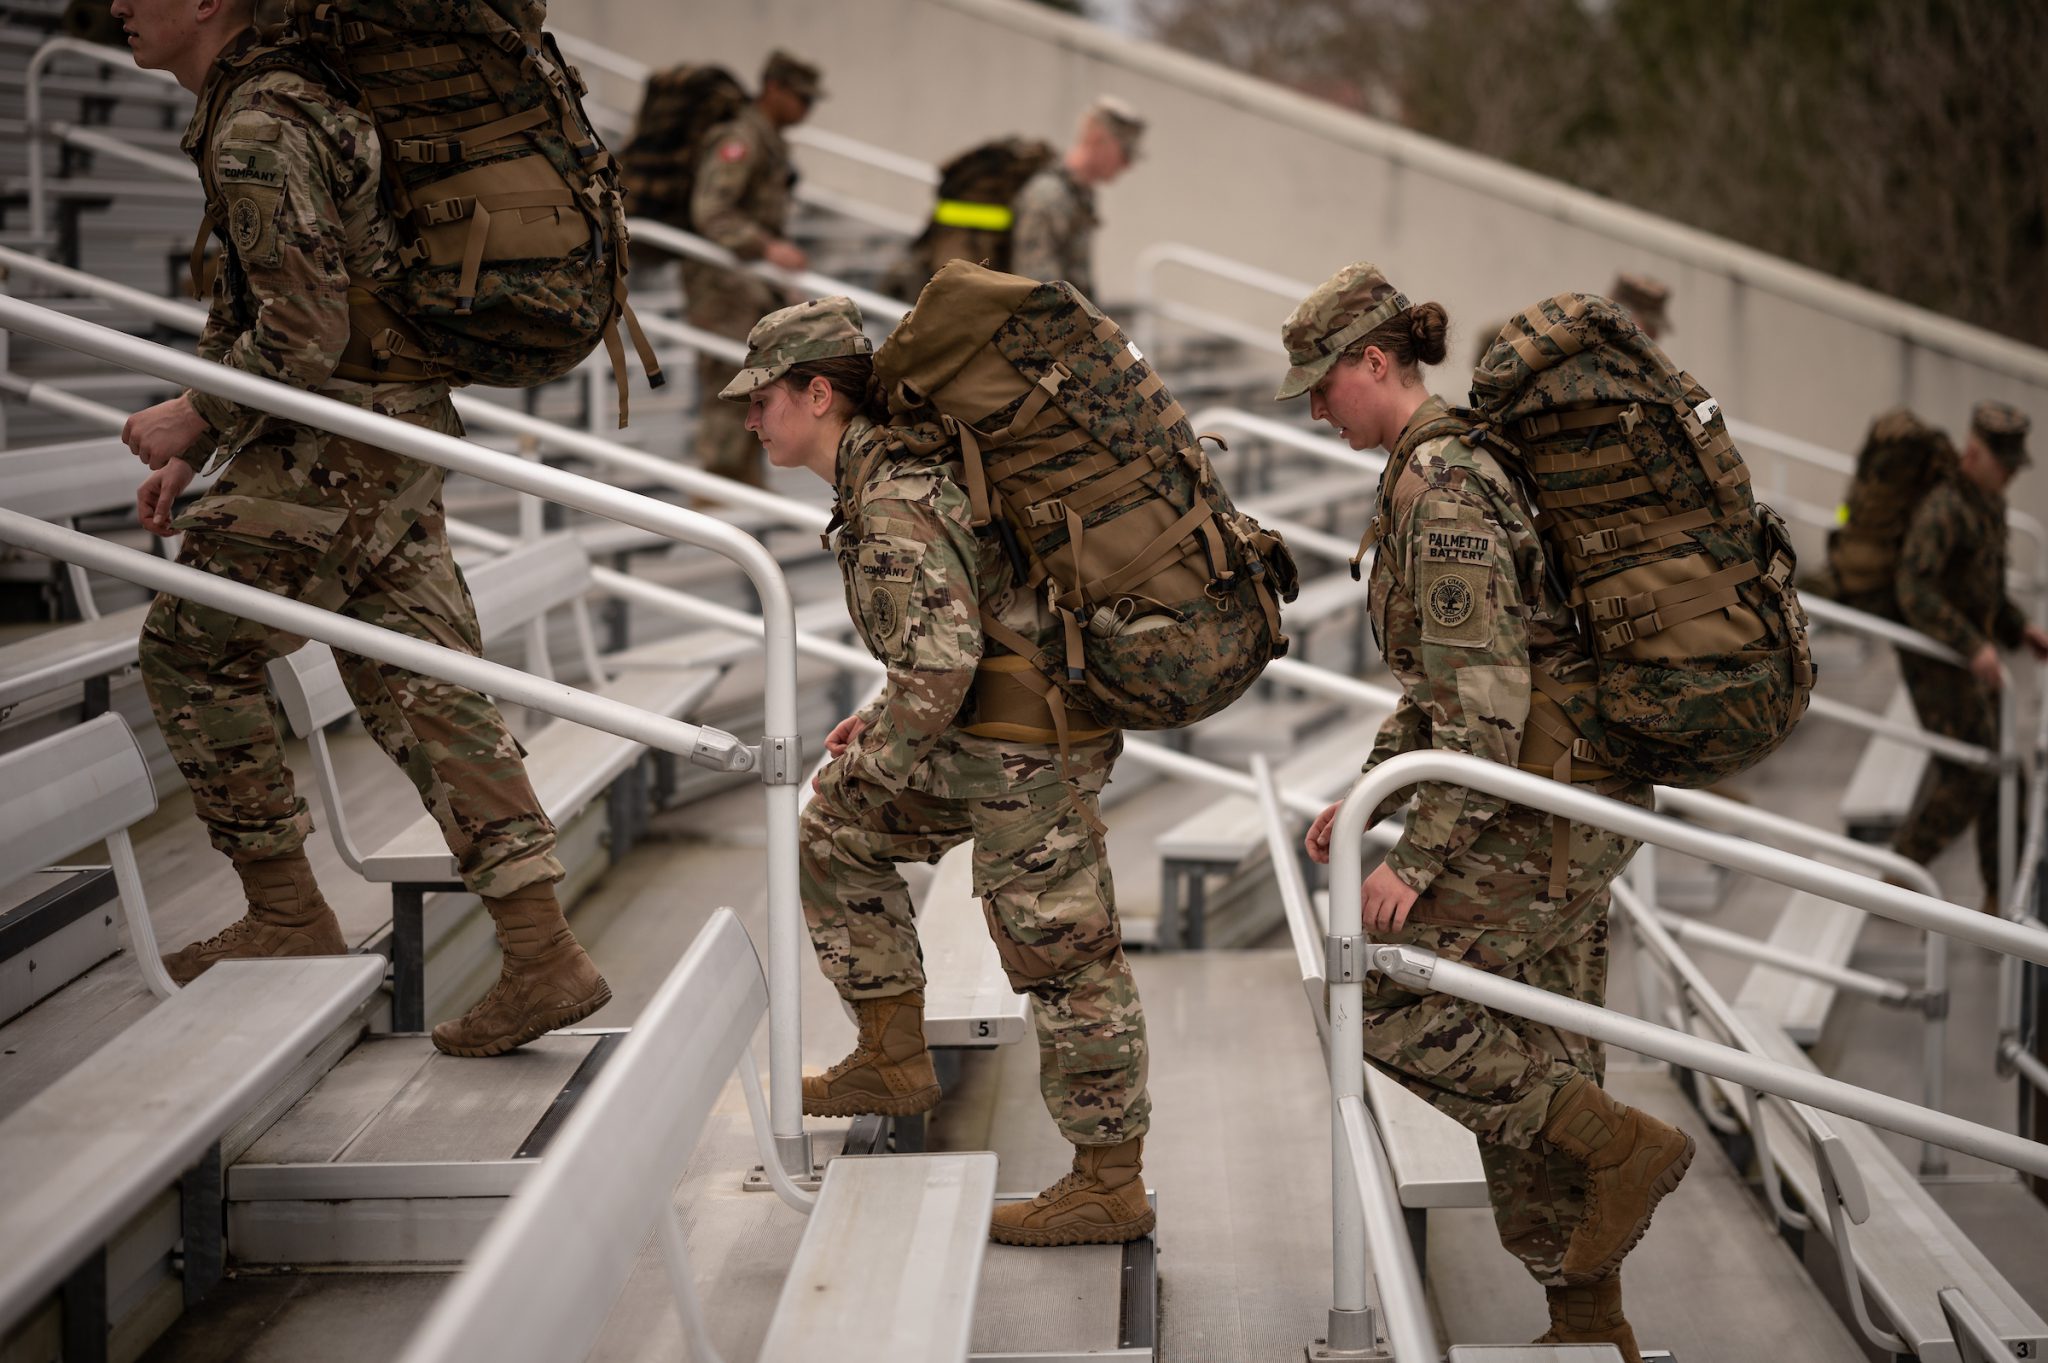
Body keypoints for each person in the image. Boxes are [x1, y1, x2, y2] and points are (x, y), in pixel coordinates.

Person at [111, 0, 607, 1056]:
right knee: (424, 683)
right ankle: (541, 952)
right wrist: (202, 442)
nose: (114, 4)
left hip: (342, 443)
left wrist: (197, 410)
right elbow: (248, 287)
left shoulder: (257, 122)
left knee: (189, 649)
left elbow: (301, 326)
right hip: (391, 423)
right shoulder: (279, 97)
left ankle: (289, 916)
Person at [1287, 262, 1691, 1360]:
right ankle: (1585, 1320)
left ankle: (1617, 1149)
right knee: (1537, 1047)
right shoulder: (1432, 471)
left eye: (1322, 386)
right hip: (1556, 796)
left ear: (1375, 362)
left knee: (1370, 992)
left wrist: (1409, 859)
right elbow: (1439, 690)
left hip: (1541, 807)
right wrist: (1364, 789)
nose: (1315, 409)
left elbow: (1483, 703)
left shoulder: (1447, 492)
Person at [723, 296, 1153, 1247]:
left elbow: (942, 667)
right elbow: (956, 644)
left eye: (764, 399)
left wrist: (884, 739)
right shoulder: (885, 480)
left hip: (1026, 754)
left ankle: (1110, 1181)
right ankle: (891, 1052)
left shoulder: (892, 500)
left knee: (1062, 959)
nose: (752, 418)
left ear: (819, 393)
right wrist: (878, 727)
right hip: (994, 736)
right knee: (836, 829)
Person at [1890, 400, 2048, 910]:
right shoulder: (1943, 509)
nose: (2008, 477)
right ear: (1975, 454)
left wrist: (2020, 629)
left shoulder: (1988, 504)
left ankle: (2000, 897)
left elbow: (1985, 589)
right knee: (1973, 775)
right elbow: (1913, 589)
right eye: (2002, 467)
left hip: (1967, 658)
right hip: (1935, 660)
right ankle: (1896, 875)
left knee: (2006, 774)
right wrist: (1973, 643)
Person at [684, 50, 821, 488]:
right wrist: (767, 247)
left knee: (758, 388)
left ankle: (741, 491)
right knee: (731, 386)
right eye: (800, 97)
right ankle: (720, 494)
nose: (807, 108)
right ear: (773, 88)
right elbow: (711, 211)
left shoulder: (769, 140)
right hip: (721, 288)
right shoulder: (741, 138)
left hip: (746, 286)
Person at [1009, 96, 1145, 298]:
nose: (1127, 165)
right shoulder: (1049, 195)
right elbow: (1037, 289)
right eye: (1124, 153)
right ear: (1097, 139)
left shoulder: (1080, 195)